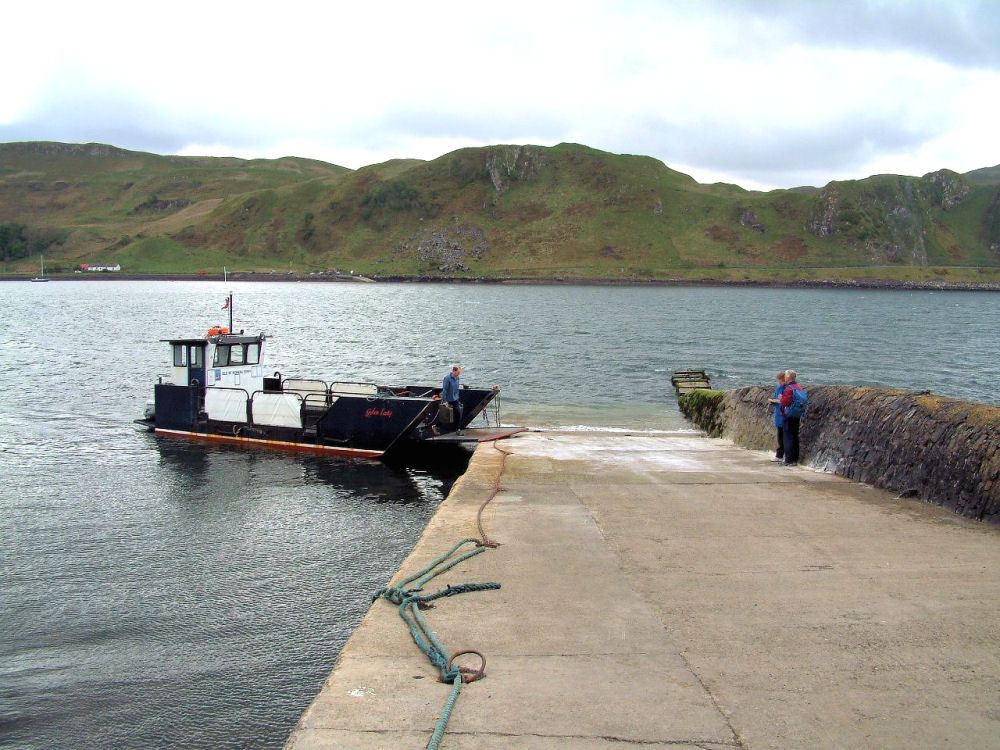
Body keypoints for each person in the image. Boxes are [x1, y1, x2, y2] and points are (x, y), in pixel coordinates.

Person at [779, 369, 804, 465]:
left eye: (785, 376)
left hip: (788, 415)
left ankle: (788, 459)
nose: (784, 377)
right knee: (795, 436)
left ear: (788, 377)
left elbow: (786, 402)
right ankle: (795, 459)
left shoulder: (789, 388)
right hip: (796, 414)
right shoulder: (798, 387)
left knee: (788, 437)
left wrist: (781, 399)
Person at [768, 371, 787, 462]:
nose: (779, 383)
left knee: (785, 436)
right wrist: (773, 401)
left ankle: (781, 455)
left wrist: (780, 399)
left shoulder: (787, 388)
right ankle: (779, 455)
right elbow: (776, 397)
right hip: (779, 414)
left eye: (781, 381)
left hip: (785, 414)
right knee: (780, 436)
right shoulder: (779, 387)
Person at [442, 365, 464, 435]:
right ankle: (437, 426)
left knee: (458, 413)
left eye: (459, 373)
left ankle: (458, 429)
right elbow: (445, 390)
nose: (459, 374)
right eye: (458, 372)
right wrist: (445, 401)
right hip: (448, 398)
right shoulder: (447, 378)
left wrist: (457, 398)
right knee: (446, 414)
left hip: (455, 399)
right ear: (454, 371)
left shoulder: (457, 378)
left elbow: (456, 389)